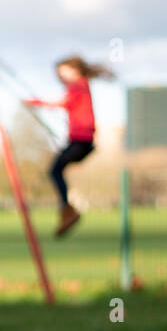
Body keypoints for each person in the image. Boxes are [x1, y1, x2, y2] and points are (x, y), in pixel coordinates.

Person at [25, 55, 113, 237]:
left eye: (64, 72)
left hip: (81, 141)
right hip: (80, 141)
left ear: (74, 70)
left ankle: (67, 209)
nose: (61, 76)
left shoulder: (78, 86)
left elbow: (64, 103)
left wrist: (37, 103)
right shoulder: (81, 86)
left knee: (55, 170)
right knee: (56, 170)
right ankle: (67, 209)